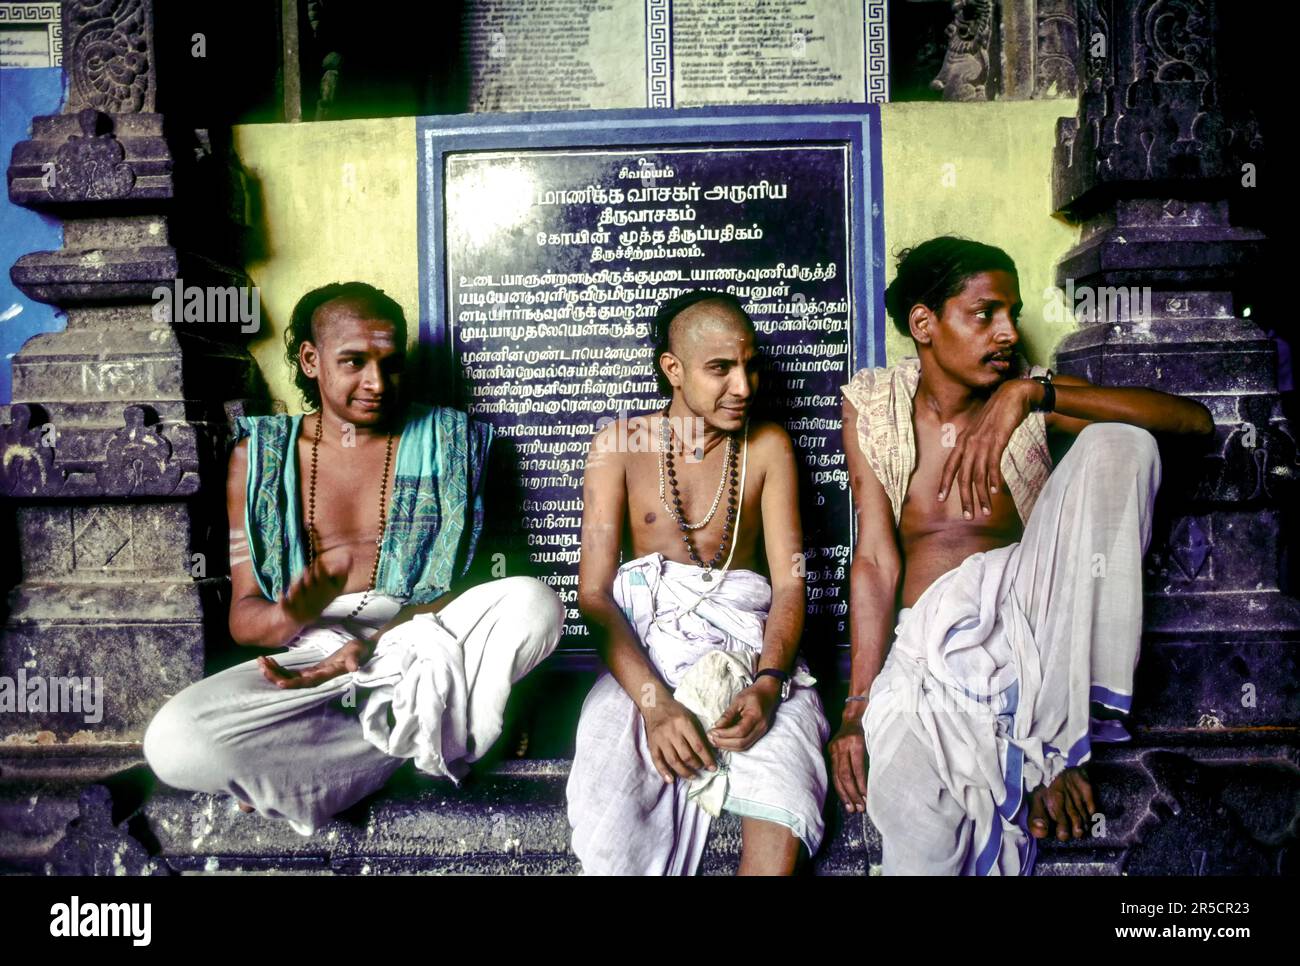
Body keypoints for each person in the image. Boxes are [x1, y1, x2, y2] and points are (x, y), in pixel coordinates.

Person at [831, 237, 1213, 875]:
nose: (1008, 331)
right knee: (916, 828)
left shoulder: (1032, 398)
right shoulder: (875, 407)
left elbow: (1191, 423)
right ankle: (1025, 755)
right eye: (985, 314)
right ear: (924, 324)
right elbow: (873, 559)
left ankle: (1062, 738)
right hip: (926, 650)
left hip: (1032, 635)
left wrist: (1031, 398)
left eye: (1012, 313)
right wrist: (856, 705)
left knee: (1120, 445)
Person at [143, 281, 564, 835]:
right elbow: (246, 620)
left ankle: (314, 770)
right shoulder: (260, 457)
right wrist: (296, 611)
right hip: (312, 664)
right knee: (173, 742)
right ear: (311, 360)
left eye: (390, 365)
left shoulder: (449, 441)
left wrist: (373, 645)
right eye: (353, 362)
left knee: (533, 601)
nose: (376, 383)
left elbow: (470, 588)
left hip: (420, 646)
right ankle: (413, 748)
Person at [567, 290, 830, 875]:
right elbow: (594, 594)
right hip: (649, 659)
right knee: (612, 767)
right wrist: (655, 704)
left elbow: (788, 588)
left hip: (750, 652)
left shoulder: (767, 448)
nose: (743, 386)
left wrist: (767, 686)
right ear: (673, 370)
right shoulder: (619, 446)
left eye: (750, 365)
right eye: (720, 369)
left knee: (787, 768)